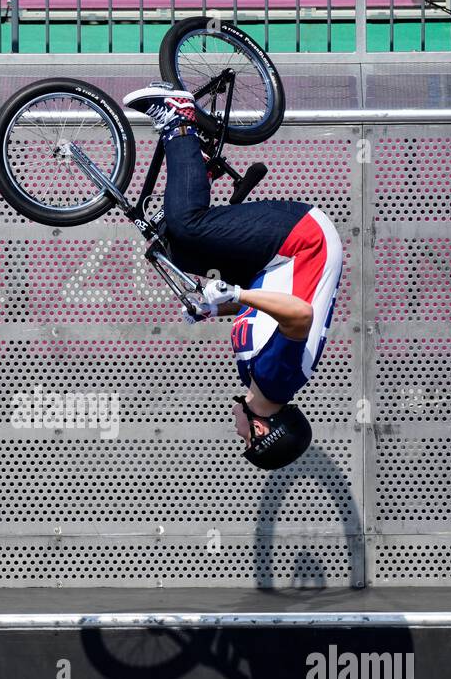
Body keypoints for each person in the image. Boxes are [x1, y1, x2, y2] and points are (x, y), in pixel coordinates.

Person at [122, 82, 343, 470]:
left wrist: (215, 308)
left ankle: (200, 166)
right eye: (245, 439)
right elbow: (299, 315)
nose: (237, 432)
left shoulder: (252, 373)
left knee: (172, 247)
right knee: (188, 226)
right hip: (304, 242)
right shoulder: (277, 378)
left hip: (273, 264)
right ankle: (180, 119)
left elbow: (264, 309)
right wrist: (236, 294)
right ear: (262, 430)